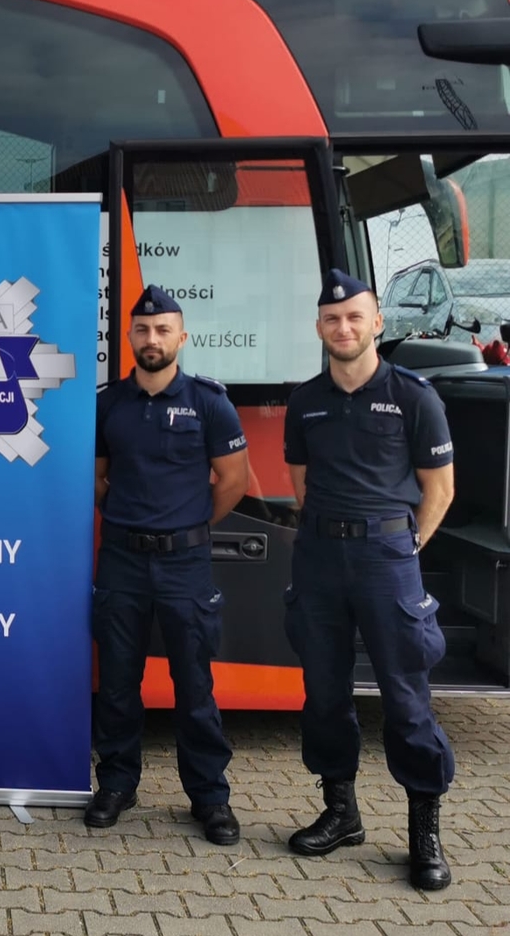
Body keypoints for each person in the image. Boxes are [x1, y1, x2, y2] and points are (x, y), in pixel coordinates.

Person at [284, 268, 455, 891]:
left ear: (377, 322)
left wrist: (403, 546)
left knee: (406, 702)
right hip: (321, 560)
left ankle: (424, 833)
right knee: (324, 695)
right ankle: (341, 812)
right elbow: (302, 487)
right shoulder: (305, 401)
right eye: (332, 318)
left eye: (356, 316)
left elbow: (440, 490)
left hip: (388, 562)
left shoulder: (414, 396)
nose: (344, 327)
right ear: (319, 327)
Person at [88, 284, 250, 844]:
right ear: (129, 337)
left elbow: (232, 482)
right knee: (116, 684)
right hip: (123, 562)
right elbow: (98, 478)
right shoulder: (108, 403)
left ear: (181, 337)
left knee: (194, 687)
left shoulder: (209, 402)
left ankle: (209, 798)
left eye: (162, 330)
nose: (151, 339)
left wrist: (189, 525)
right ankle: (116, 784)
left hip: (185, 565)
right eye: (142, 330)